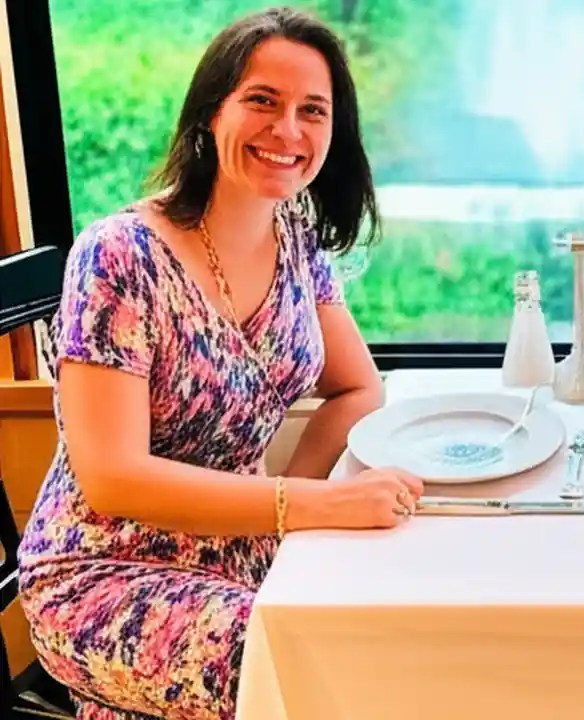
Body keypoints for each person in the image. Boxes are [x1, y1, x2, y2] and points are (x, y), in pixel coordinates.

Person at [17, 8, 424, 719]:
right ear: (210, 112)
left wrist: (286, 515)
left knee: (392, 618)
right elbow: (112, 478)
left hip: (238, 547)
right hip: (104, 573)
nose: (288, 131)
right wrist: (311, 506)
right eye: (262, 101)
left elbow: (357, 388)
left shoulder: (295, 238)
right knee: (318, 662)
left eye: (313, 111)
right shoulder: (118, 256)